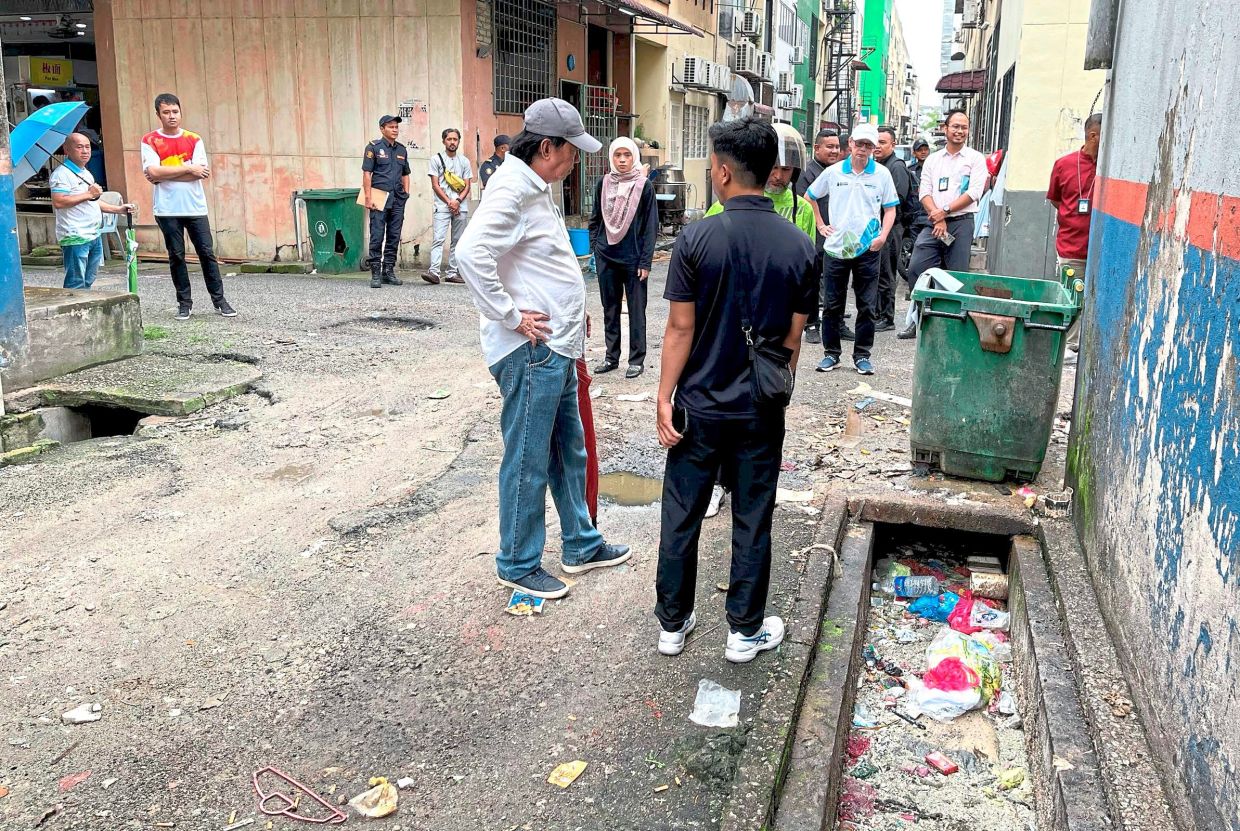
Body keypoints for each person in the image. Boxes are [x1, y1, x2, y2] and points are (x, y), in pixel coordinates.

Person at [653, 118, 816, 664]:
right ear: (772, 171)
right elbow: (792, 340)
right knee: (752, 514)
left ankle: (672, 626)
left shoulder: (697, 237)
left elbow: (680, 328)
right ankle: (743, 632)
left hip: (698, 405)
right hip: (760, 408)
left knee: (682, 512)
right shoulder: (800, 245)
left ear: (723, 171)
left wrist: (663, 396)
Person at [456, 98, 630, 601]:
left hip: (555, 346)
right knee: (530, 458)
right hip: (530, 351)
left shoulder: (534, 187)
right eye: (571, 151)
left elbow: (537, 262)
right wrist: (510, 315)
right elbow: (471, 254)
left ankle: (580, 541)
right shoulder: (511, 188)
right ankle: (517, 561)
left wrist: (572, 309)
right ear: (547, 147)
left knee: (565, 452)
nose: (576, 160)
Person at [805, 123, 899, 375]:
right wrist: (820, 225)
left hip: (868, 249)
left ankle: (862, 355)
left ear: (873, 148)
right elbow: (810, 196)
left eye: (869, 145)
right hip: (836, 249)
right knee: (833, 305)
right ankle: (831, 354)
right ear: (851, 145)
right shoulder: (834, 172)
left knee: (867, 305)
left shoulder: (881, 175)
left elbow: (890, 209)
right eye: (859, 144)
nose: (863, 149)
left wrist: (882, 236)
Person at [141, 93, 236, 320]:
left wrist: (167, 174)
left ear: (180, 112)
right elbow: (152, 172)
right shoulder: (150, 140)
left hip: (195, 208)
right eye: (166, 112)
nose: (171, 116)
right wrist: (188, 169)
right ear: (158, 115)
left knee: (206, 253)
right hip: (166, 209)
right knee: (176, 255)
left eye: (175, 111)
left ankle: (219, 300)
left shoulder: (194, 139)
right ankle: (184, 303)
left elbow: (200, 173)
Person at [899, 109, 987, 339]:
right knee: (917, 267)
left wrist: (945, 213)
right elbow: (924, 192)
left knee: (957, 277)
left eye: (964, 127)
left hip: (961, 222)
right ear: (945, 129)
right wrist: (938, 217)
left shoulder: (975, 159)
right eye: (955, 126)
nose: (959, 131)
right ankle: (917, 319)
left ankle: (952, 326)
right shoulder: (933, 160)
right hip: (933, 223)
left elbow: (974, 192)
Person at [588, 137, 658, 379]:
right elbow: (595, 219)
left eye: (627, 155)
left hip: (634, 258)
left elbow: (650, 227)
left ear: (634, 157)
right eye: (617, 155)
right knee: (610, 308)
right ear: (611, 158)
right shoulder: (603, 183)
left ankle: (636, 359)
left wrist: (645, 261)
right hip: (607, 256)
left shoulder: (643, 186)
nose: (622, 160)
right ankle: (611, 357)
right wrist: (596, 247)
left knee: (637, 310)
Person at [1047, 113, 1101, 364]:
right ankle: (1066, 346)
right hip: (1071, 246)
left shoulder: (1107, 165)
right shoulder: (1064, 164)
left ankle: (1077, 344)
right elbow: (1057, 200)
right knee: (1073, 296)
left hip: (1099, 248)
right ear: (1093, 135)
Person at [50, 133, 134, 290]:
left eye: (87, 147)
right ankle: (73, 312)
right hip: (75, 236)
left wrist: (118, 209)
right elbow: (59, 201)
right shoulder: (61, 174)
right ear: (66, 149)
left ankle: (84, 310)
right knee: (76, 282)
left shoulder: (84, 172)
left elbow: (93, 202)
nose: (85, 151)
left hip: (93, 234)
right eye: (79, 147)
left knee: (89, 279)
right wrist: (89, 194)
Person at [796, 129, 845, 345]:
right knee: (813, 282)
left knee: (838, 282)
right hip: (814, 237)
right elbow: (802, 203)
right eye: (829, 147)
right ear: (817, 148)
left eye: (837, 147)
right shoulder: (807, 173)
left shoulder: (841, 171)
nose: (834, 151)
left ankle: (838, 323)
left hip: (838, 237)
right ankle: (812, 324)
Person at [361, 115, 411, 289]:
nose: (395, 130)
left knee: (394, 235)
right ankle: (375, 272)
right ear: (382, 129)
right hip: (378, 196)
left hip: (397, 198)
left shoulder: (402, 150)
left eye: (396, 127)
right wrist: (368, 197)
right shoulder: (373, 148)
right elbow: (367, 173)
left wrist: (406, 193)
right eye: (391, 127)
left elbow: (406, 173)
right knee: (377, 234)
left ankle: (388, 271)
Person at [874, 126, 913, 332]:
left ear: (893, 144)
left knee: (887, 272)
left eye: (883, 142)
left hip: (891, 227)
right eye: (876, 142)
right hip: (880, 226)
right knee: (879, 271)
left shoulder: (895, 167)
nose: (878, 146)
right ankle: (879, 312)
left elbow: (897, 200)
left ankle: (887, 317)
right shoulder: (880, 165)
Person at [424, 128, 473, 285]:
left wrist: (457, 201)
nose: (452, 142)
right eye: (449, 139)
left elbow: (467, 185)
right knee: (438, 239)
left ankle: (452, 273)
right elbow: (435, 185)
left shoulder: (464, 161)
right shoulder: (436, 159)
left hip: (460, 206)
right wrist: (449, 202)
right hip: (442, 206)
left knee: (457, 240)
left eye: (455, 139)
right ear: (444, 141)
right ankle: (434, 272)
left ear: (458, 141)